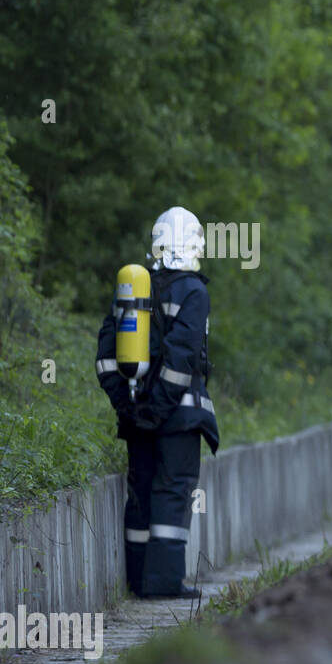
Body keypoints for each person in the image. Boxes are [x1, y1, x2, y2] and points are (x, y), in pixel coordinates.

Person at [95, 207, 219, 598]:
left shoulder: (135, 287)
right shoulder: (194, 292)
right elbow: (181, 357)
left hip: (137, 411)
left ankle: (137, 581)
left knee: (142, 491)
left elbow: (105, 354)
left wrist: (129, 407)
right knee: (173, 490)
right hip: (177, 417)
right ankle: (163, 585)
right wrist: (159, 411)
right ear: (194, 244)